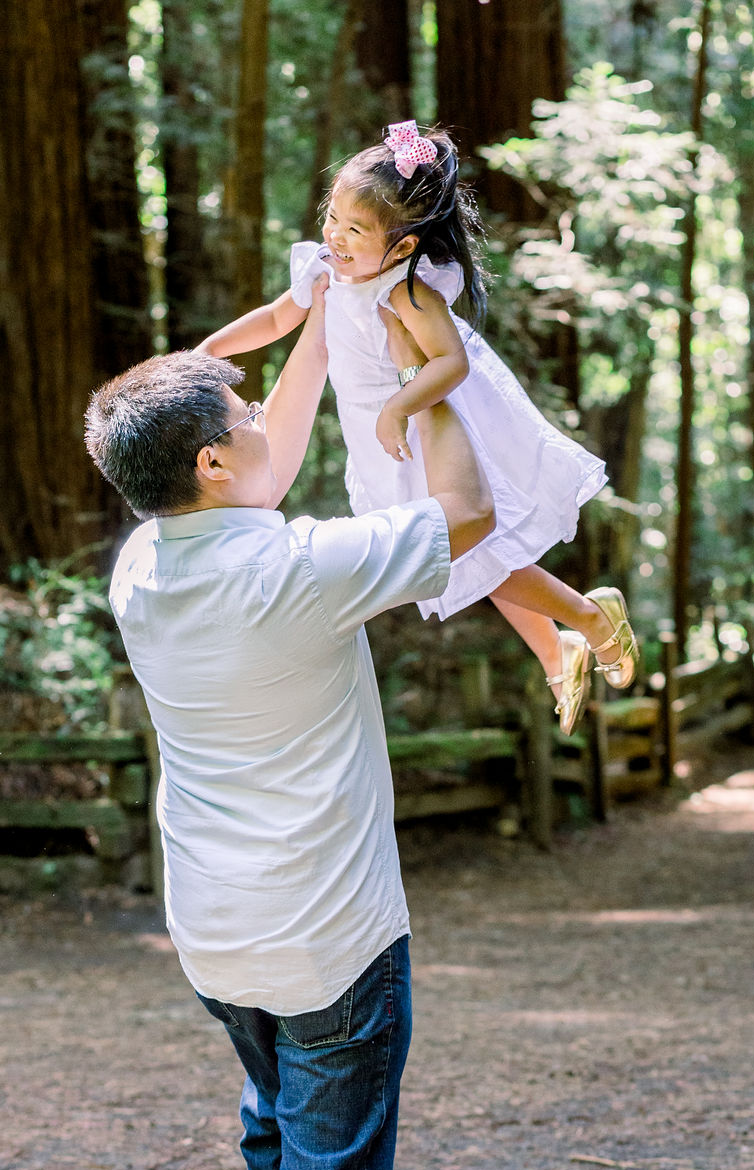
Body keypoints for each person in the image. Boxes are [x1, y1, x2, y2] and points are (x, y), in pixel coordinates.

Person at [83, 280, 495, 1170]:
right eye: (245, 408)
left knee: (279, 1130)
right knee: (333, 1167)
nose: (268, 411)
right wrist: (441, 381)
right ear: (213, 460)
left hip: (219, 936)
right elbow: (464, 509)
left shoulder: (145, 564)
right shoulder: (298, 571)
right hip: (331, 938)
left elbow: (260, 463)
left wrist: (321, 316)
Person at [197, 119, 639, 735]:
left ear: (402, 246)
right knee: (467, 559)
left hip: (428, 426)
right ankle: (555, 649)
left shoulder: (409, 292)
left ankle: (591, 619)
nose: (336, 237)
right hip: (384, 445)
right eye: (332, 218)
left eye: (356, 230)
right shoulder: (326, 270)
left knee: (473, 552)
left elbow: (451, 363)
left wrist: (400, 407)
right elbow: (277, 318)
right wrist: (208, 352)